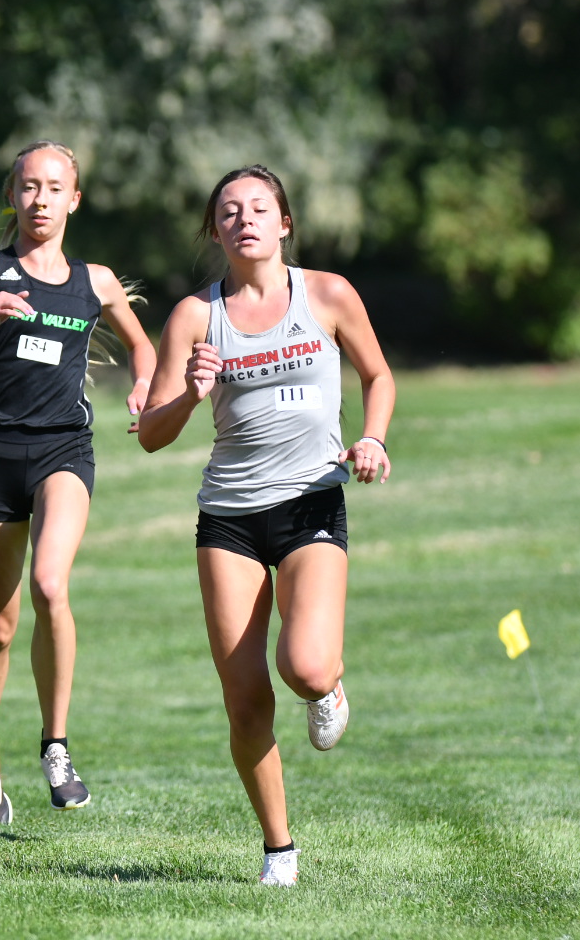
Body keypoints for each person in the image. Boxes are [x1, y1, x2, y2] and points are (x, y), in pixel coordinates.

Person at [136, 165, 395, 887]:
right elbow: (150, 433)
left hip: (311, 502)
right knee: (246, 698)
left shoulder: (328, 295)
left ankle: (327, 688)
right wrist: (190, 395)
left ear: (284, 224)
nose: (243, 219)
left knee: (305, 666)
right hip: (229, 518)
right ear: (214, 230)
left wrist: (371, 438)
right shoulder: (195, 316)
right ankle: (279, 849)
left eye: (258, 208)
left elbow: (378, 375)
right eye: (228, 211)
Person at [0, 141, 156, 822]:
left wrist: (143, 383)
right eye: (27, 186)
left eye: (53, 188)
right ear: (12, 196)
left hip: (63, 451)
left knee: (50, 585)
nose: (40, 199)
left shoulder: (95, 282)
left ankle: (56, 745)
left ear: (75, 199)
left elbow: (142, 343)